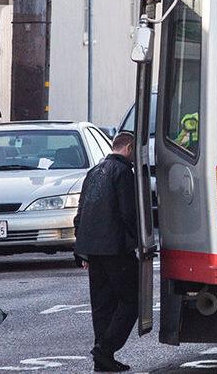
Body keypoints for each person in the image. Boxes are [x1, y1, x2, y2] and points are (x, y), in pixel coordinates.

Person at [73, 132, 139, 372]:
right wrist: (139, 242)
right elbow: (128, 213)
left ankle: (103, 358)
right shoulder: (123, 173)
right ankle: (105, 349)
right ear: (129, 148)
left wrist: (81, 250)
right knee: (131, 300)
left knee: (102, 304)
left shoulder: (94, 172)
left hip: (92, 249)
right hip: (117, 248)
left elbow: (81, 212)